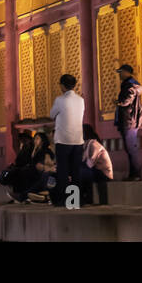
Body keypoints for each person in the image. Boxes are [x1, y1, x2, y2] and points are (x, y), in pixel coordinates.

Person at [49, 73, 85, 206]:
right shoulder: (81, 100)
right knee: (76, 171)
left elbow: (52, 114)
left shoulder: (60, 100)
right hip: (77, 140)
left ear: (63, 85)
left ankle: (64, 200)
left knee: (63, 171)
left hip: (63, 140)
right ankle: (75, 201)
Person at [114, 63, 142, 180]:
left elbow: (129, 98)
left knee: (131, 148)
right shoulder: (130, 84)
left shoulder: (130, 85)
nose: (119, 75)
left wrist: (120, 103)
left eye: (121, 72)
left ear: (126, 72)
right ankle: (134, 174)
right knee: (130, 148)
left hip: (129, 120)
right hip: (130, 120)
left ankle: (136, 175)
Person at [79, 123, 113, 205]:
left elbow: (91, 162)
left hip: (103, 172)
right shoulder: (86, 144)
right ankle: (84, 198)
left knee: (84, 173)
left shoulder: (94, 144)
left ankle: (87, 199)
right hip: (95, 170)